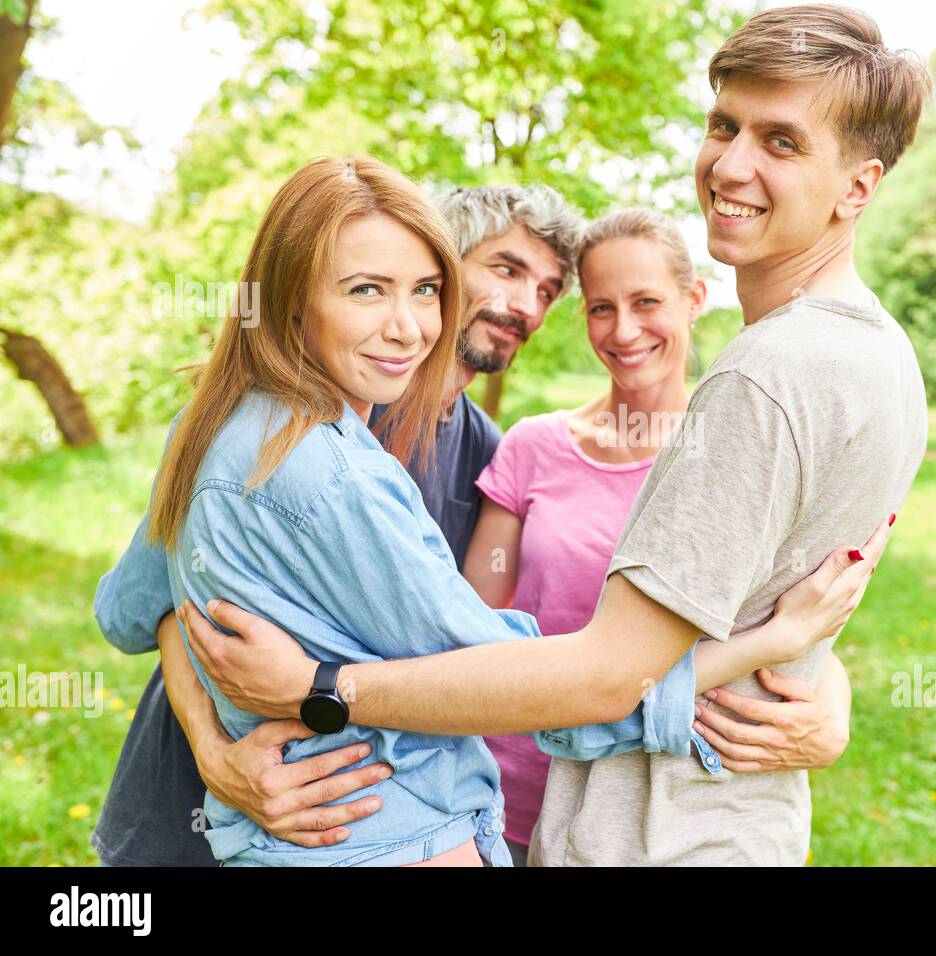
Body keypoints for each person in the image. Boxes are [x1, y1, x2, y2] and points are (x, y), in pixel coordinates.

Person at [180, 2, 930, 866]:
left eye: (782, 142)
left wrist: (319, 689)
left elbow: (609, 676)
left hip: (657, 838)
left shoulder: (764, 377)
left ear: (859, 186)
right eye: (724, 125)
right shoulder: (879, 356)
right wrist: (785, 651)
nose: (730, 163)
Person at [91, 184, 581, 866]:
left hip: (358, 821)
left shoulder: (487, 459)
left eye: (549, 289)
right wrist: (215, 752)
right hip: (189, 809)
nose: (526, 304)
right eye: (506, 268)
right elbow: (140, 600)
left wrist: (316, 686)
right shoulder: (271, 424)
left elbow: (462, 656)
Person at [463, 208, 856, 866]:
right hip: (504, 797)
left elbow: (801, 619)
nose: (623, 331)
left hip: (650, 813)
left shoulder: (741, 454)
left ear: (695, 298)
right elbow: (470, 630)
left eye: (647, 302)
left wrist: (834, 716)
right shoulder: (533, 446)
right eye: (600, 308)